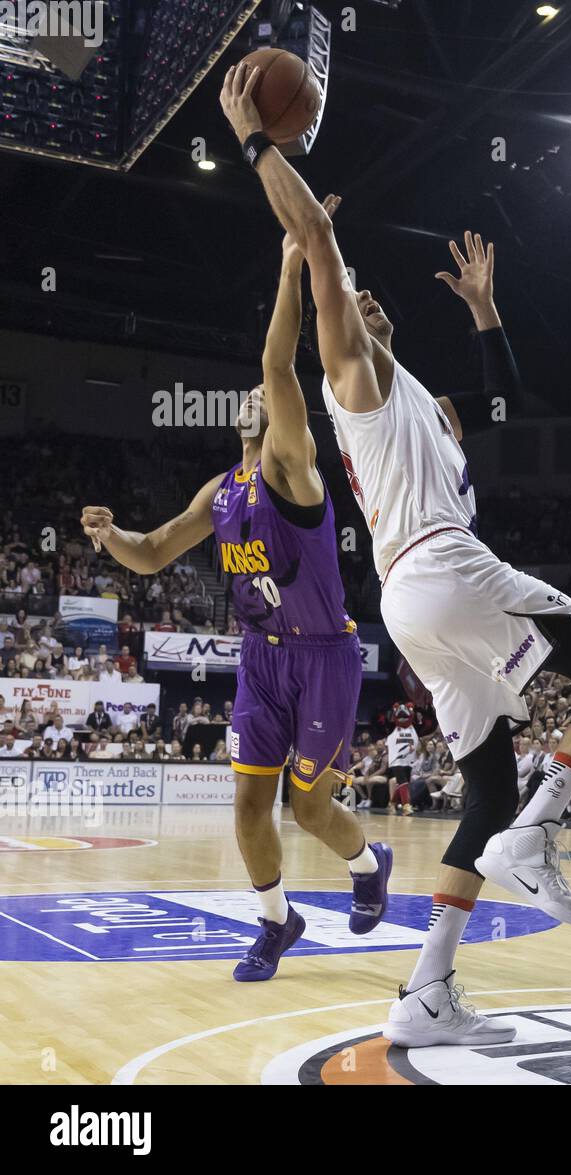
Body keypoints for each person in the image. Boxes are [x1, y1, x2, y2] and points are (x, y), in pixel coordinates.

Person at [220, 67, 571, 1044]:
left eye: (372, 303)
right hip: (443, 567)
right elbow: (322, 247)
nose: (359, 303)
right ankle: (540, 836)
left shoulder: (429, 406)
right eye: (352, 303)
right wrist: (261, 150)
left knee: (487, 786)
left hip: (417, 599)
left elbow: (502, 408)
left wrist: (485, 309)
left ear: (393, 325)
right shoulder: (360, 380)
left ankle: (426, 988)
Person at [80, 209, 389, 983]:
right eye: (249, 393)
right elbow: (152, 553)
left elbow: (280, 367)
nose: (255, 392)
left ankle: (366, 863)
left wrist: (291, 269)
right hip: (260, 658)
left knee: (312, 808)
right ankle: (277, 922)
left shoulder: (294, 466)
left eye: (265, 391)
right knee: (251, 807)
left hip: (324, 655)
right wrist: (110, 536)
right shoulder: (221, 491)